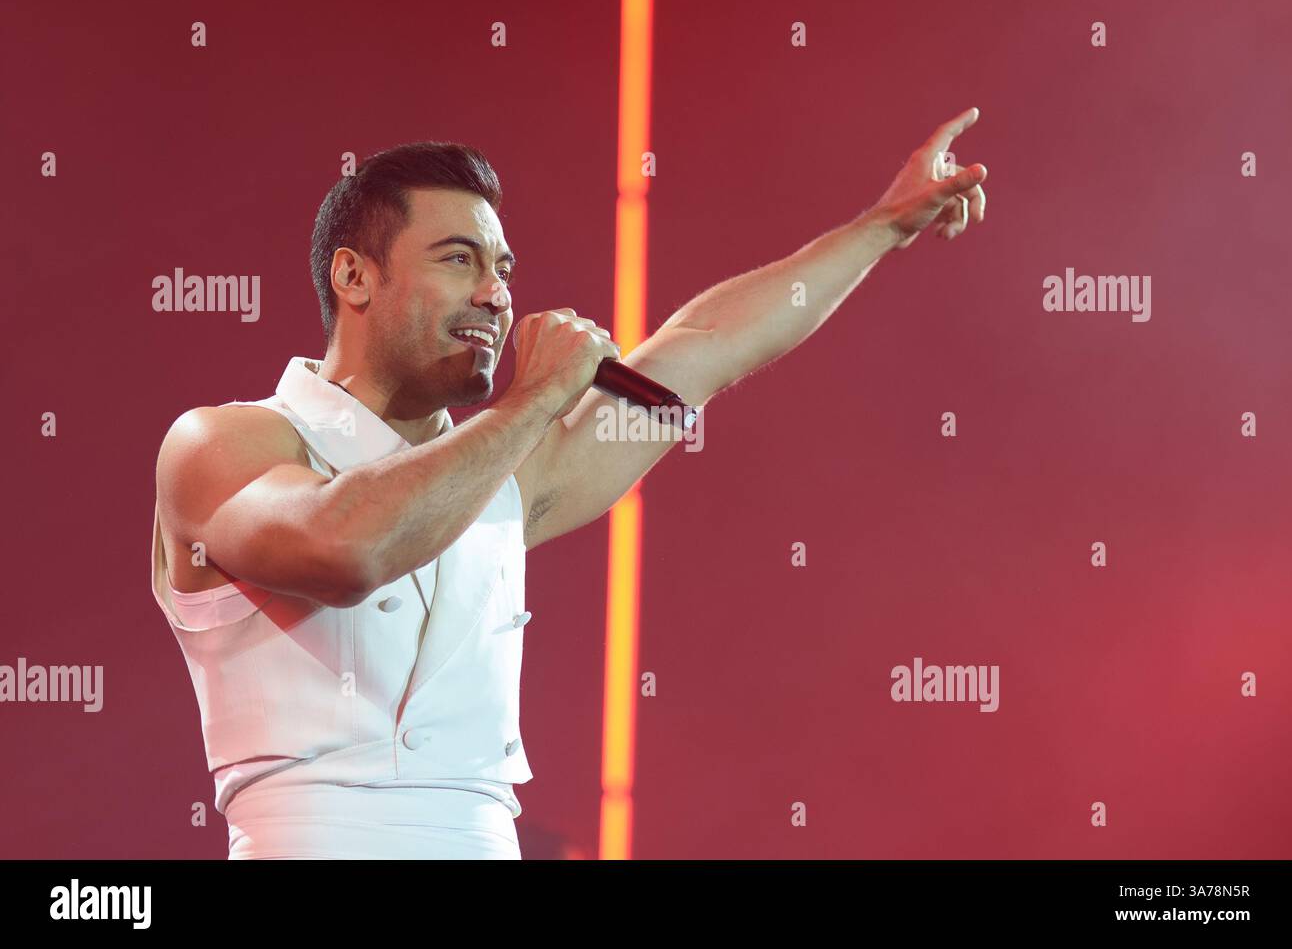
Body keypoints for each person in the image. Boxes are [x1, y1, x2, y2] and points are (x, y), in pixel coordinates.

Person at [151, 109, 989, 859]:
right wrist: (535, 399)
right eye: (458, 259)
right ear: (354, 277)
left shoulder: (507, 482)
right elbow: (345, 551)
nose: (495, 292)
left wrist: (882, 227)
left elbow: (703, 348)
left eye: (503, 267)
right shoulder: (225, 442)